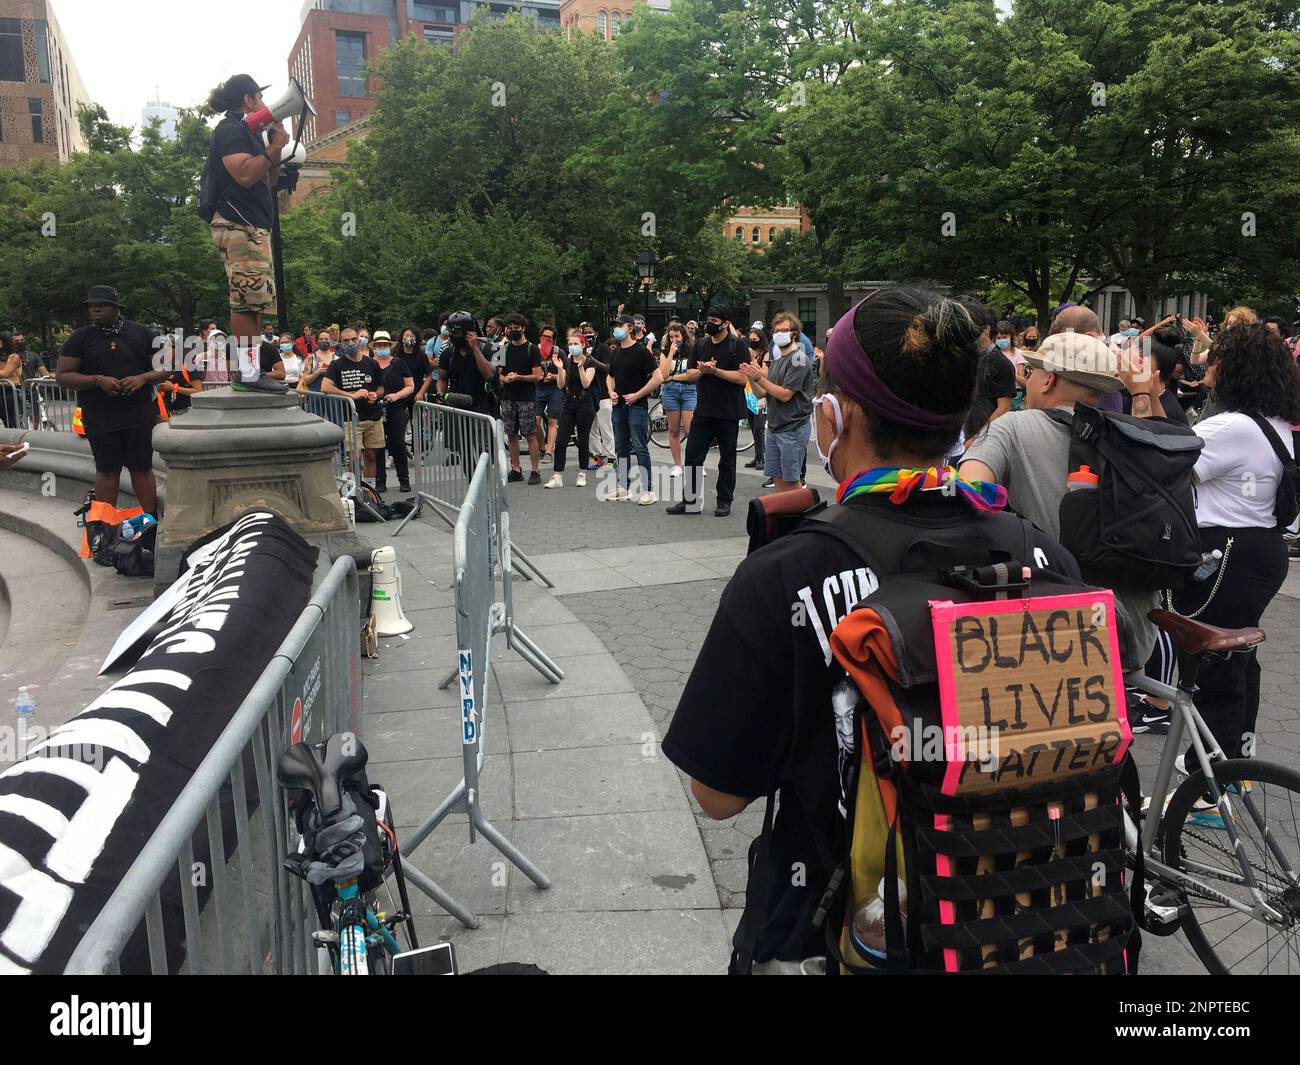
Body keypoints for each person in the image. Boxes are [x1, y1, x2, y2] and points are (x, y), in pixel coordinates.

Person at [663, 287, 1081, 973]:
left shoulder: (785, 572)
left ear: (839, 412)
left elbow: (717, 794)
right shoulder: (1042, 555)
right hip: (1025, 918)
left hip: (854, 930)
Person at [959, 332, 1162, 715]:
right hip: (1132, 631)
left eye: (1031, 370)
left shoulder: (1010, 429)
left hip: (1053, 634)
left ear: (1048, 378)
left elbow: (970, 494)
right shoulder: (1129, 434)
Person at [1166, 324, 1299, 778]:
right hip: (1260, 551)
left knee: (1214, 666)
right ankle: (1236, 765)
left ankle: (1206, 783)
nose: (1209, 363)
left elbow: (1168, 472)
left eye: (1218, 357)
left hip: (1225, 553)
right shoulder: (1274, 425)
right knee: (1239, 659)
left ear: (1236, 369)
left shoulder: (1231, 427)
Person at [203, 74, 290, 391]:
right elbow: (242, 174)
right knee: (244, 298)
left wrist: (275, 148)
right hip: (237, 223)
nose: (266, 103)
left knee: (254, 301)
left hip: (251, 225)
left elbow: (269, 180)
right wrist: (270, 150)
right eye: (260, 97)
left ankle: (252, 371)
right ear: (249, 100)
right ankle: (249, 373)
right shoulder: (229, 130)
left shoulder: (248, 133)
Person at [55, 285, 167, 515]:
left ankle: (150, 520)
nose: (96, 309)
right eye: (92, 306)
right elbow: (63, 375)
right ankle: (105, 524)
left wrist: (142, 378)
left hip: (137, 412)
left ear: (116, 308)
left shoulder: (142, 333)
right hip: (100, 414)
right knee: (107, 469)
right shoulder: (80, 337)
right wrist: (98, 380)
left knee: (142, 467)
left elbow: (166, 369)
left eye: (102, 305)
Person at [668, 309, 747, 518]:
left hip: (728, 412)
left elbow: (743, 378)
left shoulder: (736, 345)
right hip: (703, 411)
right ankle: (690, 500)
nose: (709, 324)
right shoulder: (701, 344)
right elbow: (691, 374)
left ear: (725, 323)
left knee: (727, 459)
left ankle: (724, 501)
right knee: (693, 455)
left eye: (714, 321)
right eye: (708, 320)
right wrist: (702, 371)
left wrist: (716, 371)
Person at [744, 311, 815, 494]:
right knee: (778, 479)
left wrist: (759, 378)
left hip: (792, 428)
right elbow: (763, 394)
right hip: (775, 428)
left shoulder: (799, 359)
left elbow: (785, 395)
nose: (779, 334)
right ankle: (785, 516)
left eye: (784, 330)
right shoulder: (776, 362)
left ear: (795, 334)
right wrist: (751, 376)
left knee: (792, 482)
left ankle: (798, 517)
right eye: (776, 330)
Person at [605, 313, 660, 504]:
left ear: (630, 328)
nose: (617, 329)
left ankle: (648, 489)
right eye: (615, 326)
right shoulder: (616, 352)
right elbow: (610, 376)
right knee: (621, 447)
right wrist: (611, 391)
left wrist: (638, 394)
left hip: (637, 406)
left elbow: (658, 377)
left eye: (620, 325)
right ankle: (623, 486)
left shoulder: (641, 351)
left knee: (639, 446)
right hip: (619, 405)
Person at [322, 326, 385, 489]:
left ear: (359, 340)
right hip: (351, 418)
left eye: (353, 339)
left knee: (371, 456)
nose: (350, 343)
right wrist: (352, 395)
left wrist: (375, 395)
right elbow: (325, 387)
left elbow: (381, 387)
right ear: (341, 344)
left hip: (373, 416)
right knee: (355, 458)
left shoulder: (371, 363)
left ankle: (369, 490)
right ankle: (351, 489)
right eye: (346, 341)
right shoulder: (337, 365)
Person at [544, 329, 598, 490]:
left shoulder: (589, 362)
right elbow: (560, 385)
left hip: (585, 404)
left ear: (583, 345)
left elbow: (586, 383)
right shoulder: (566, 361)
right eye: (570, 344)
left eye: (576, 344)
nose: (572, 347)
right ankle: (557, 475)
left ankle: (582, 473)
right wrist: (560, 369)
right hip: (568, 403)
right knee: (561, 441)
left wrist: (580, 367)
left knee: (583, 440)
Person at [497, 313, 543, 485]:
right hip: (507, 397)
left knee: (530, 434)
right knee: (511, 435)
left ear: (523, 328)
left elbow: (537, 375)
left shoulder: (532, 349)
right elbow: (496, 374)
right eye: (510, 328)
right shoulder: (501, 348)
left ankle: (535, 470)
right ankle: (515, 469)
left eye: (517, 328)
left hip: (526, 398)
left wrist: (519, 377)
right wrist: (505, 379)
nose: (513, 331)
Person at [371, 331, 414, 495]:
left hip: (396, 408)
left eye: (385, 345)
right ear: (374, 347)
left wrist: (397, 395)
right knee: (378, 446)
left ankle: (404, 479)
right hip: (374, 409)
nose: (382, 348)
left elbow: (410, 385)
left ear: (390, 346)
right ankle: (380, 481)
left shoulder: (399, 363)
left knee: (398, 444)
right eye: (379, 345)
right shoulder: (369, 364)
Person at [436, 312, 496, 416]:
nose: (452, 336)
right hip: (455, 408)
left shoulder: (486, 348)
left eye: (456, 333)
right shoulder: (447, 352)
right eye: (450, 332)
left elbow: (489, 375)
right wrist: (441, 394)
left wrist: (475, 348)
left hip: (480, 409)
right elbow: (442, 378)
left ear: (468, 333)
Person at [657, 321, 696, 479]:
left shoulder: (692, 351)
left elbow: (692, 374)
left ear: (683, 336)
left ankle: (695, 463)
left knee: (690, 430)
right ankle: (677, 465)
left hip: (689, 390)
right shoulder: (665, 352)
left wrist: (673, 376)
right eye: (671, 337)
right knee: (673, 430)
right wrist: (671, 353)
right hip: (670, 392)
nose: (674, 339)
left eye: (677, 336)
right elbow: (663, 375)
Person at [585, 324, 614, 468]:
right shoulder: (582, 349)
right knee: (591, 429)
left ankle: (611, 459)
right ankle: (597, 457)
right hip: (589, 394)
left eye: (590, 332)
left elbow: (609, 367)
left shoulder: (603, 348)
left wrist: (592, 360)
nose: (588, 335)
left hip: (603, 393)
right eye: (585, 333)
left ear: (596, 333)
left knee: (605, 428)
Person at [534, 324, 563, 464]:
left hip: (554, 389)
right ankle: (541, 447)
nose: (546, 339)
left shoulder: (558, 352)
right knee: (535, 420)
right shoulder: (534, 351)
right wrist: (536, 376)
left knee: (552, 420)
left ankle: (549, 452)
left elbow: (565, 374)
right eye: (544, 336)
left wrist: (554, 376)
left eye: (549, 337)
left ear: (554, 340)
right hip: (538, 389)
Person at [742, 326, 768, 473]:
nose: (752, 342)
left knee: (759, 427)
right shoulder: (748, 351)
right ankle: (757, 455)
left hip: (761, 393)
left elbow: (764, 373)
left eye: (755, 340)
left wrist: (752, 359)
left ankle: (761, 458)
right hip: (748, 392)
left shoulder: (766, 354)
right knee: (753, 425)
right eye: (750, 340)